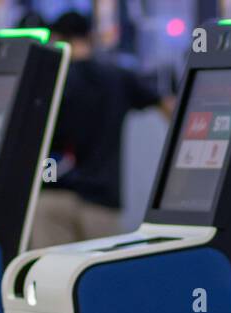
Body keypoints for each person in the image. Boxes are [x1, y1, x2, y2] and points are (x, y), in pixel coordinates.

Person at [31, 10, 172, 248]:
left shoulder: (49, 79)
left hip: (52, 197)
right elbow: (167, 105)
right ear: (89, 36)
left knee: (51, 279)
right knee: (102, 280)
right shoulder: (117, 77)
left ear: (55, 38)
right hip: (101, 199)